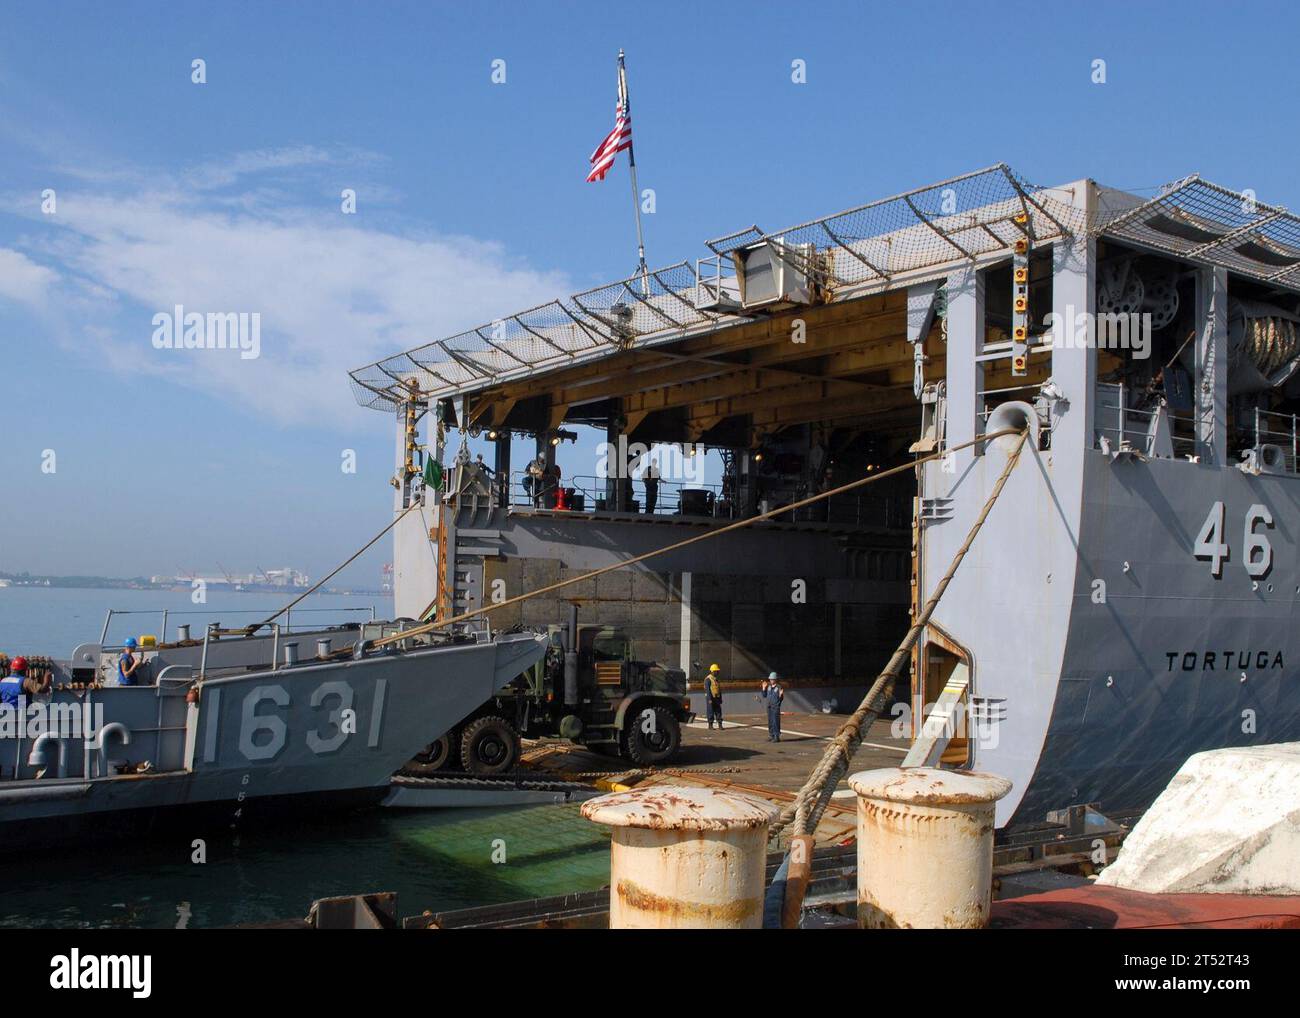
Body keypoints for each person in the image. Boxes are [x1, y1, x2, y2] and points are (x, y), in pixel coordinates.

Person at [760, 671, 785, 742]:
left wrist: (780, 695)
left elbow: (781, 698)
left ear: (775, 679)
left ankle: (776, 736)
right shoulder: (768, 686)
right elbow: (764, 695)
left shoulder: (779, 687)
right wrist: (763, 688)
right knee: (770, 721)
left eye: (772, 679)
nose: (771, 680)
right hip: (769, 706)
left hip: (775, 707)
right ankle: (771, 735)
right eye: (770, 679)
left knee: (775, 721)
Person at [704, 663, 724, 729]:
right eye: (716, 671)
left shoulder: (716, 679)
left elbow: (719, 689)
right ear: (713, 671)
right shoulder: (708, 679)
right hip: (711, 698)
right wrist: (709, 699)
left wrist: (720, 698)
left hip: (717, 698)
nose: (718, 672)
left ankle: (720, 724)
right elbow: (707, 690)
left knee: (718, 711)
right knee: (710, 711)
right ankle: (710, 725)